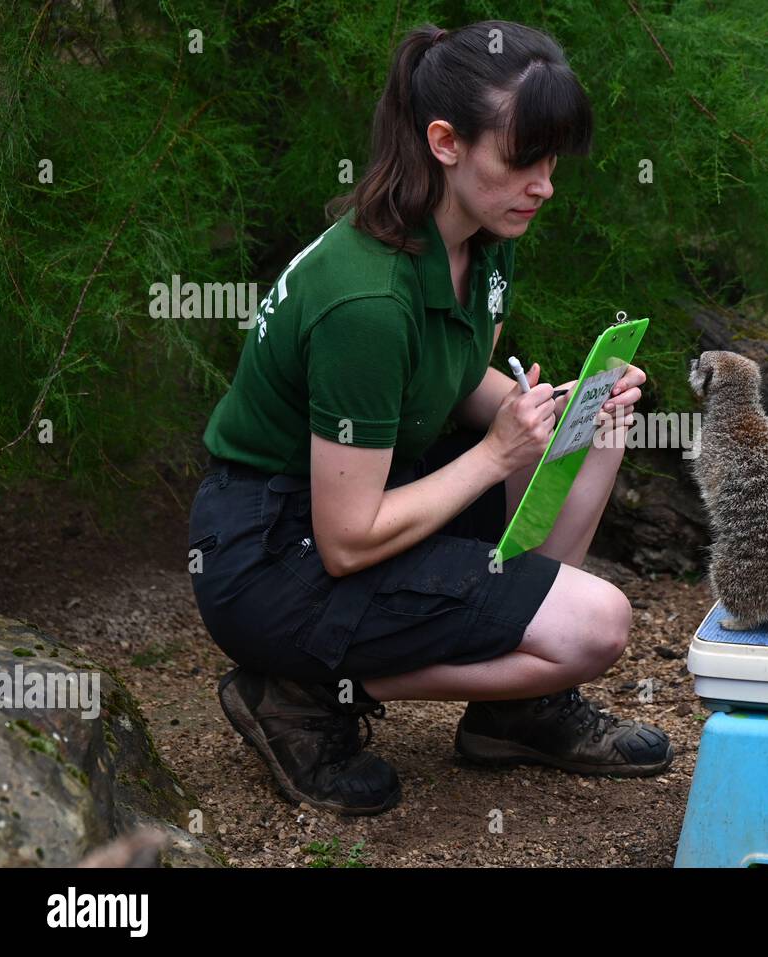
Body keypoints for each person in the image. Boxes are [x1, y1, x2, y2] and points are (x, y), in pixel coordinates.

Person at [187, 20, 672, 816]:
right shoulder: (365, 300)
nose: (544, 184)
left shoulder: (480, 236)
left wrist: (568, 406)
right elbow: (346, 542)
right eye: (523, 158)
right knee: (599, 627)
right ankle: (303, 693)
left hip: (367, 488)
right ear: (445, 142)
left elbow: (442, 381)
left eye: (552, 160)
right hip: (274, 554)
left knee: (592, 437)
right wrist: (493, 454)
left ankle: (515, 710)